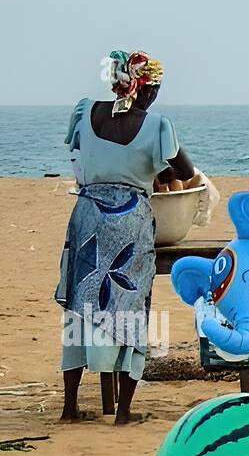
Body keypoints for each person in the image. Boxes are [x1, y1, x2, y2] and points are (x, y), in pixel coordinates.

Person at [57, 51, 196, 425]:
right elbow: (185, 169)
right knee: (129, 308)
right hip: (129, 222)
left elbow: (81, 154)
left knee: (81, 304)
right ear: (146, 88)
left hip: (87, 217)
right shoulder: (156, 126)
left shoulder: (86, 111)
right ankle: (123, 413)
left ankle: (70, 408)